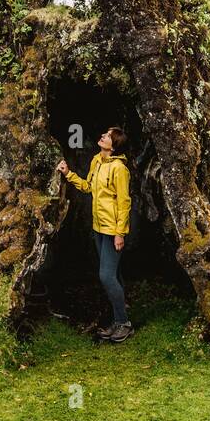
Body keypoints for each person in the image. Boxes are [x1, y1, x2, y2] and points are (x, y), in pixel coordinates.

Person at [56, 126, 134, 342]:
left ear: (115, 145)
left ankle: (124, 324)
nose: (103, 136)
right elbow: (88, 186)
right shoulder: (97, 160)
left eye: (108, 136)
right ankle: (118, 319)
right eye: (105, 134)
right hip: (99, 227)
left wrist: (119, 233)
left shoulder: (119, 169)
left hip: (112, 230)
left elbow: (124, 202)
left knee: (106, 276)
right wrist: (68, 174)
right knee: (114, 275)